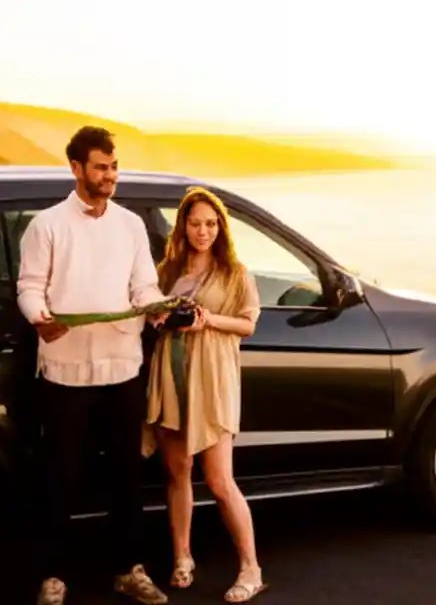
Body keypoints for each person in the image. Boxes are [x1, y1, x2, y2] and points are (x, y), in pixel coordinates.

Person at [16, 126, 170, 605]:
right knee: (61, 476)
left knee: (127, 474)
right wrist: (38, 318)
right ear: (77, 168)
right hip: (64, 371)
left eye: (114, 166)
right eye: (101, 167)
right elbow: (29, 287)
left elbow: (143, 286)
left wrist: (157, 308)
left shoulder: (131, 225)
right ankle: (53, 577)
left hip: (123, 368)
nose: (110, 175)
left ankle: (128, 570)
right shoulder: (46, 226)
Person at [143, 186, 268, 603]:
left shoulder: (235, 273)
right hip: (171, 374)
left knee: (219, 480)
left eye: (211, 224)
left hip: (212, 380)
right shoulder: (167, 270)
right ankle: (183, 557)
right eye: (195, 224)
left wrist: (207, 319)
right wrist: (159, 317)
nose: (203, 231)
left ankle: (251, 568)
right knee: (178, 472)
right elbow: (149, 313)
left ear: (221, 227)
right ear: (183, 226)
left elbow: (248, 325)